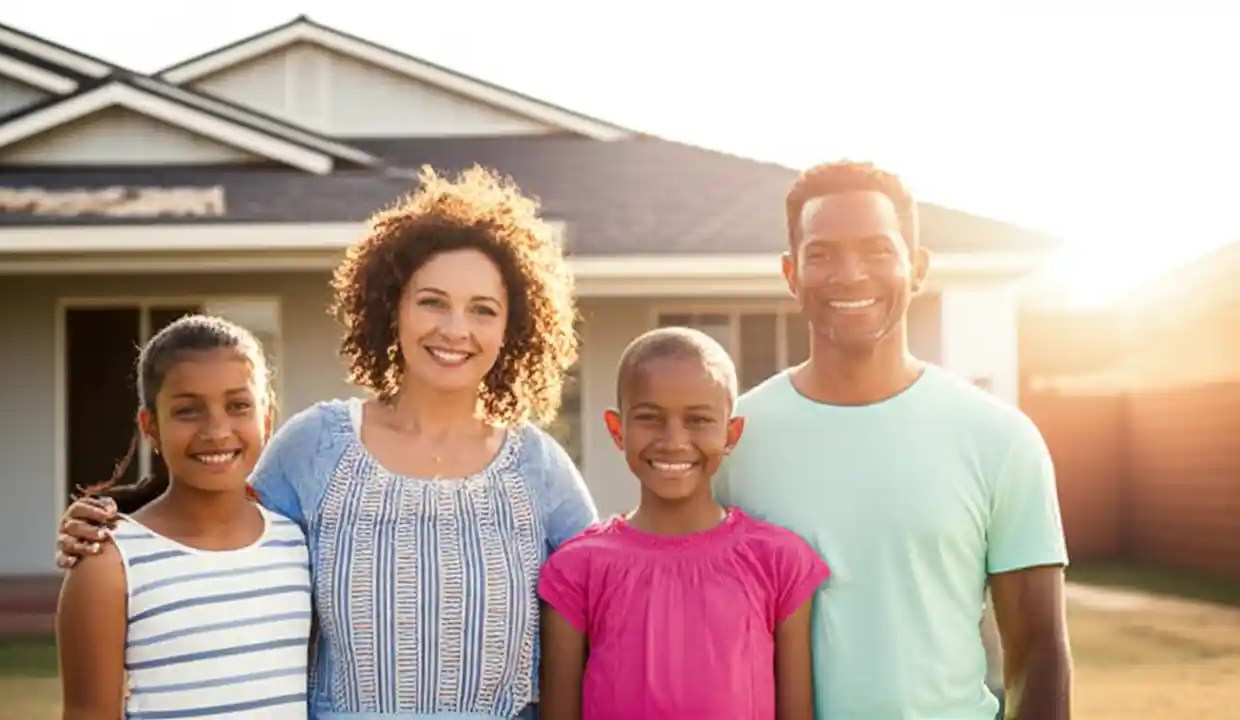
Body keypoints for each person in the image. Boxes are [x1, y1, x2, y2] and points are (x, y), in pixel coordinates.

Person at [54, 165, 599, 720]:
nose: (455, 329)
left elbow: (604, 593)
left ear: (513, 327)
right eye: (432, 301)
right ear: (394, 308)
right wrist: (115, 516)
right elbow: (217, 517)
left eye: (483, 309)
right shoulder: (317, 447)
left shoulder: (538, 468)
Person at [715, 161, 1072, 720]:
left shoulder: (999, 439)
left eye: (878, 251)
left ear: (918, 268)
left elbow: (1038, 653)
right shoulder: (734, 440)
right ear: (791, 273)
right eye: (822, 254)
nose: (850, 274)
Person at [539, 327, 828, 720]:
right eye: (650, 419)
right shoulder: (577, 570)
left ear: (731, 434)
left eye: (698, 420)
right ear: (616, 429)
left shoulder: (779, 564)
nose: (674, 440)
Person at [56, 314, 311, 720]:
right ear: (150, 426)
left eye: (238, 405)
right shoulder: (108, 564)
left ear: (266, 416)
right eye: (188, 411)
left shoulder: (298, 545)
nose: (217, 429)